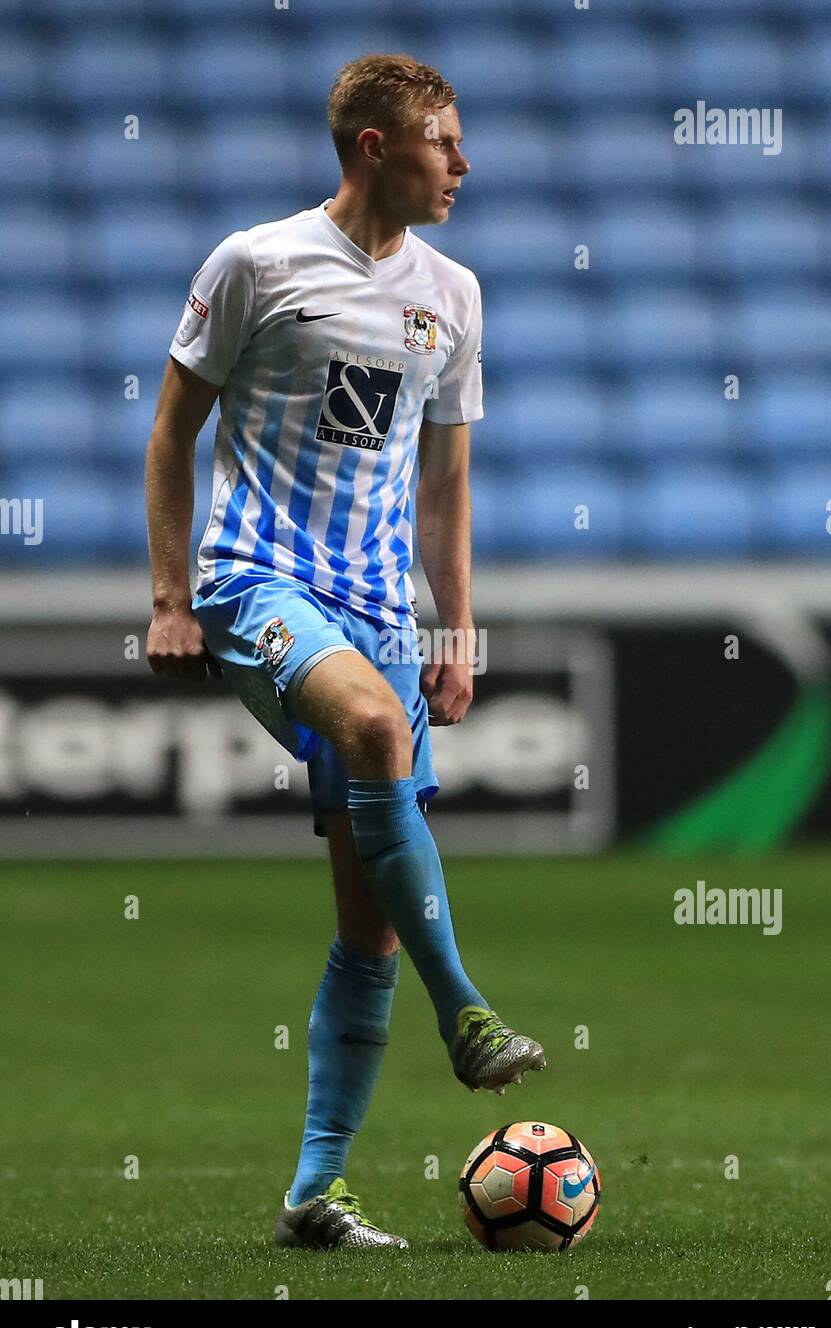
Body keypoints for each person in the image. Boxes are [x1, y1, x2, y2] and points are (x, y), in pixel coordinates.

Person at [145, 53, 545, 1251]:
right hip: (255, 580)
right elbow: (173, 429)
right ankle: (466, 1011)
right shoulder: (255, 264)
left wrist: (455, 627)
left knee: (365, 920)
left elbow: (447, 478)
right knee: (371, 727)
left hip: (378, 613)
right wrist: (171, 594)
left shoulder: (454, 294)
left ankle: (312, 1194)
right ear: (374, 145)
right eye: (444, 143)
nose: (463, 165)